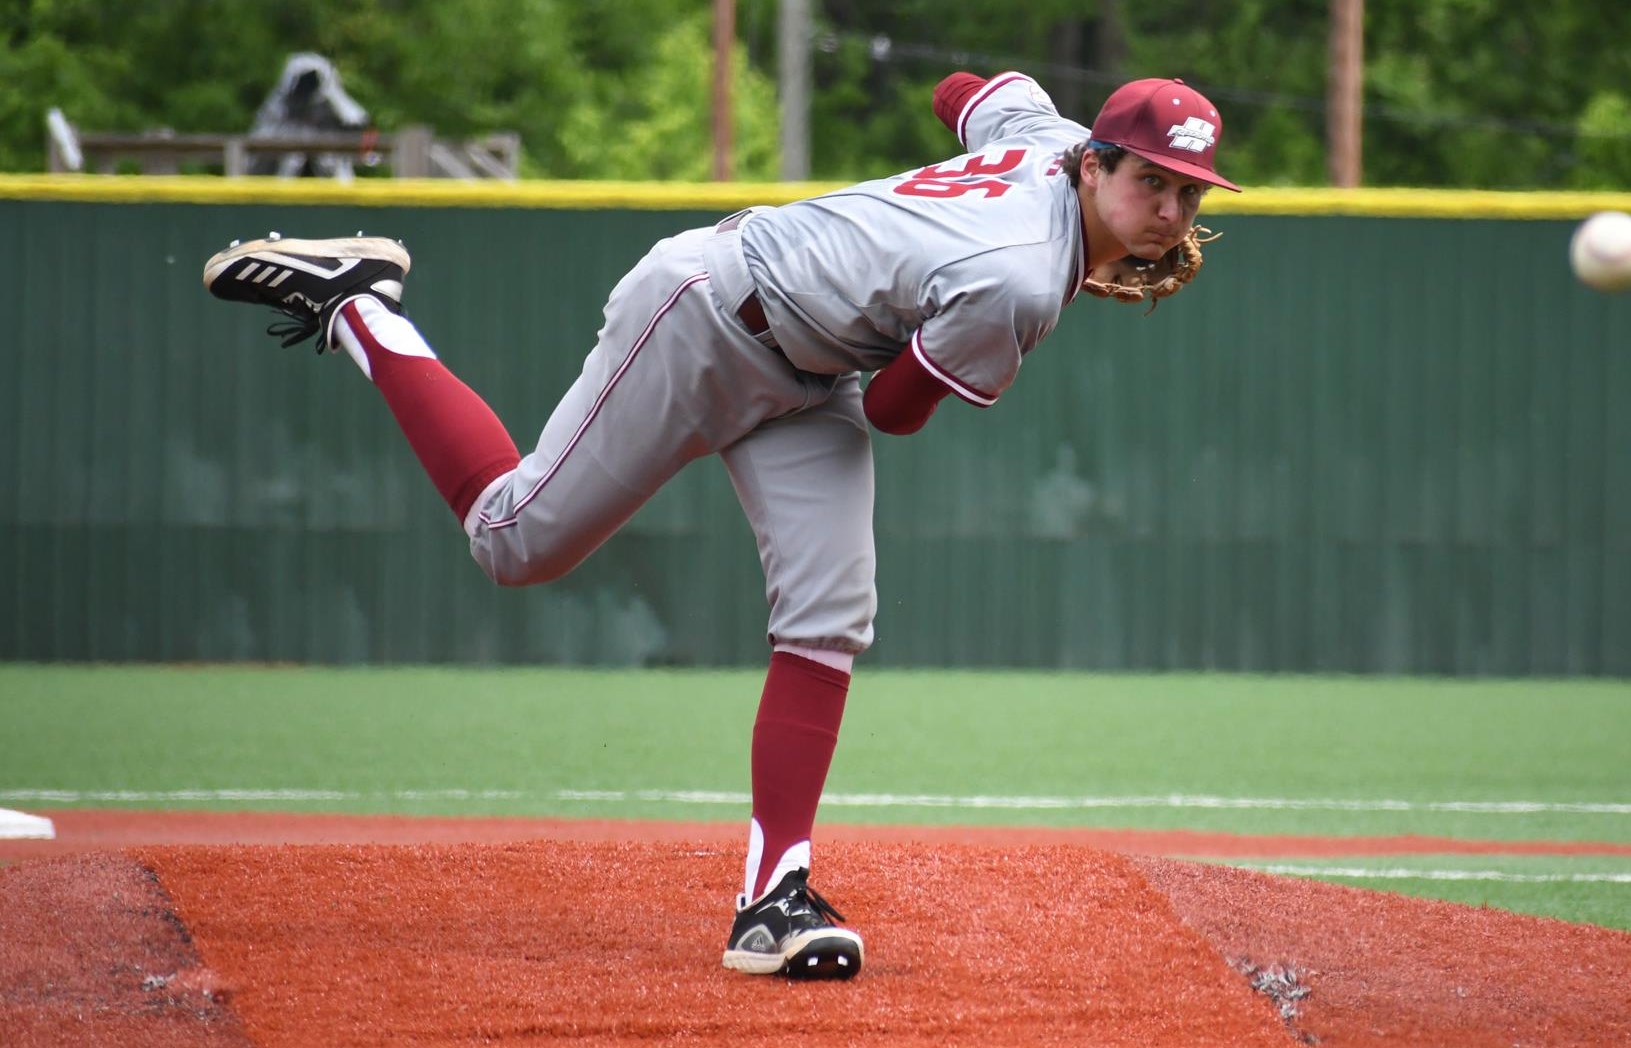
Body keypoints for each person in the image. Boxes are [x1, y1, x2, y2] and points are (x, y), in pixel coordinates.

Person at [203, 71, 1240, 977]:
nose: (1168, 208)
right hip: (707, 314)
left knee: (831, 614)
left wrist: (932, 226)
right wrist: (959, 283)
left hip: (813, 363)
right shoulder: (1019, 281)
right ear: (1094, 164)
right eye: (1149, 180)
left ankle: (772, 900)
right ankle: (360, 306)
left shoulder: (1045, 136)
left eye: (1187, 190)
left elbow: (963, 91)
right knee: (512, 540)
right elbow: (895, 413)